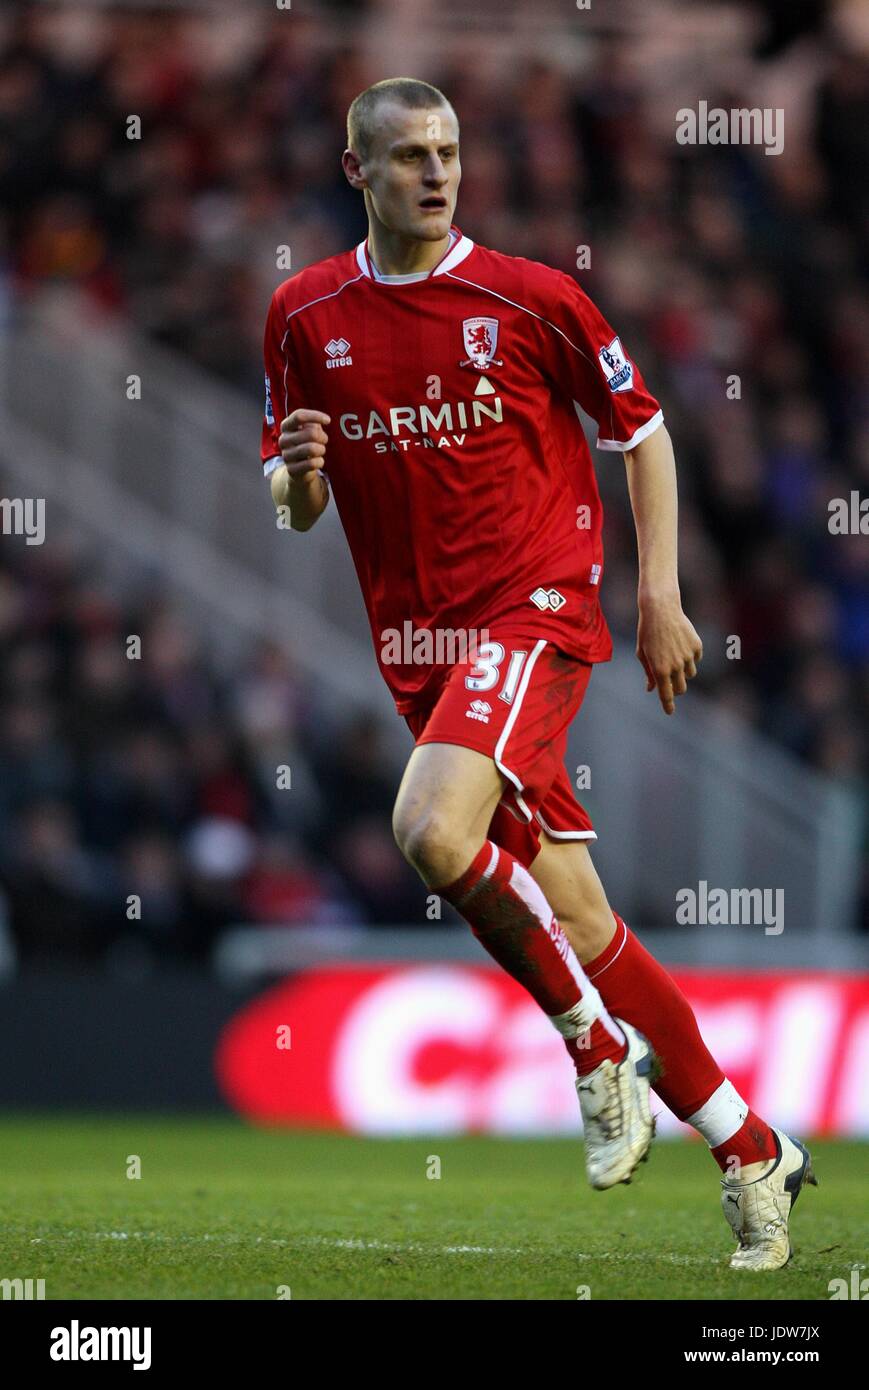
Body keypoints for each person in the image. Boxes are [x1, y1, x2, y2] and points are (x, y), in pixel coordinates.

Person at [260, 77, 815, 1270]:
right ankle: (746, 1141)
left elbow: (643, 430)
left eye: (448, 150)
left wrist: (658, 594)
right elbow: (293, 505)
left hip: (536, 611)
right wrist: (298, 473)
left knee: (425, 826)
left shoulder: (528, 299)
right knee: (579, 913)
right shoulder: (303, 316)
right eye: (407, 154)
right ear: (358, 171)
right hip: (423, 655)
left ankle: (591, 1048)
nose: (435, 172)